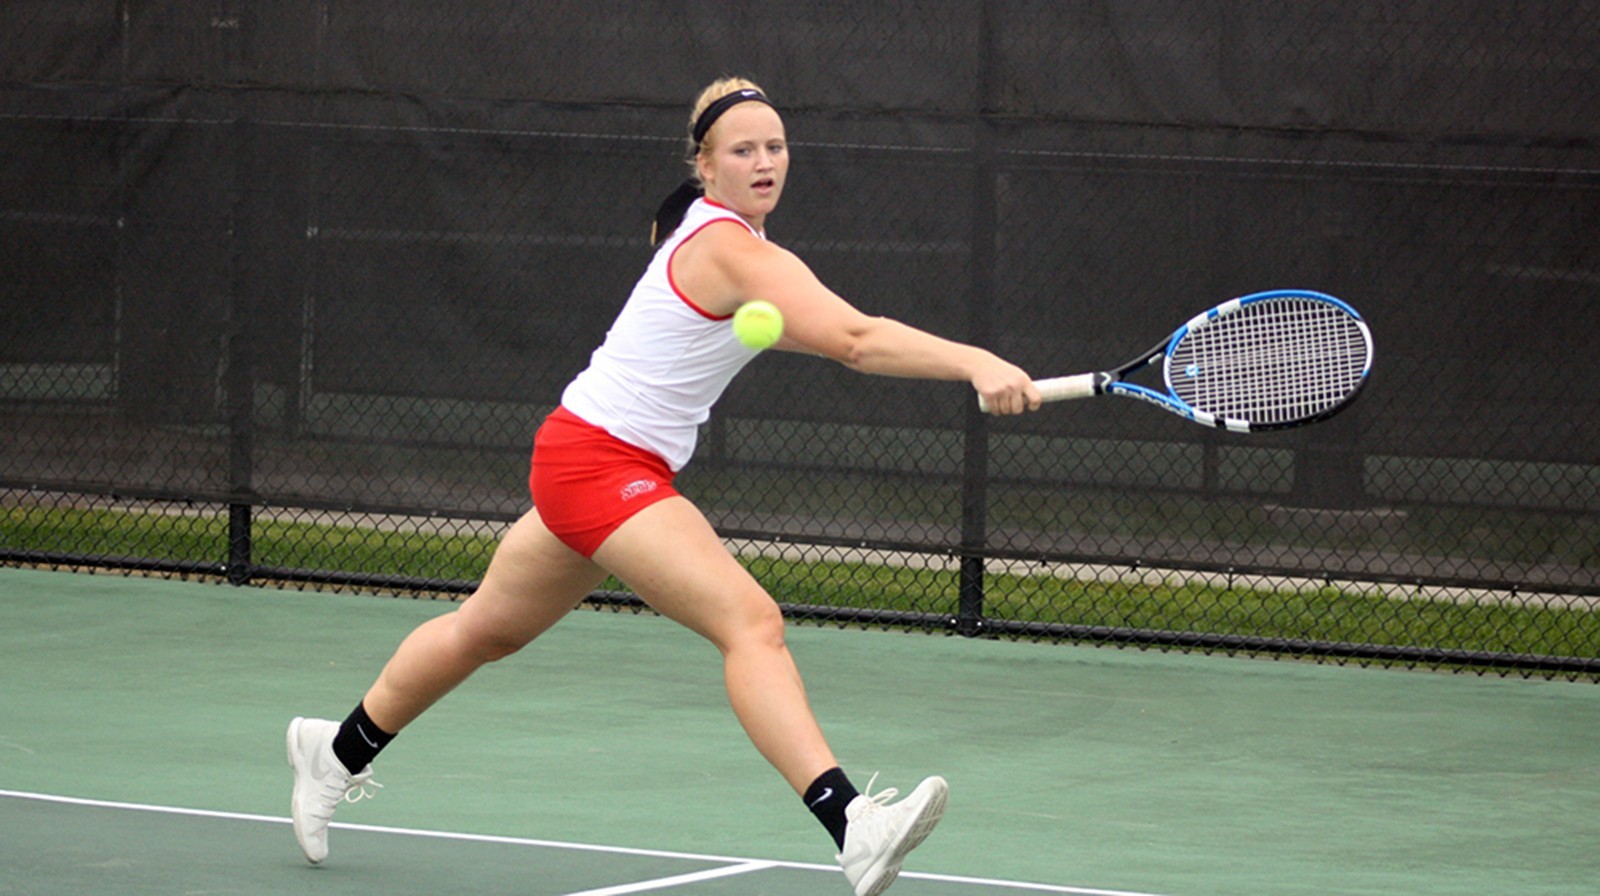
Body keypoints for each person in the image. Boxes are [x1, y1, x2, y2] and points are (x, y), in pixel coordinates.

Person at [286, 76, 1042, 896]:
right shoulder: (730, 247)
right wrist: (976, 362)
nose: (764, 162)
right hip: (600, 463)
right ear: (707, 166)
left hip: (588, 455)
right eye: (743, 150)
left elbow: (809, 335)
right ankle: (852, 824)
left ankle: (333, 752)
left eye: (775, 146)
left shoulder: (718, 241)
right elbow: (856, 339)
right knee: (751, 622)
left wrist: (925, 358)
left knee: (484, 632)